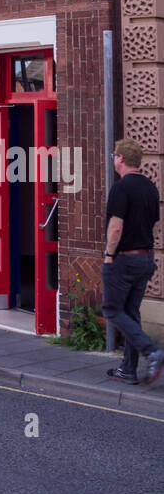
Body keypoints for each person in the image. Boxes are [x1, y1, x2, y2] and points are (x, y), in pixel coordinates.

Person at [102, 138, 164, 386]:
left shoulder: (121, 188)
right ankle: (128, 370)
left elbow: (115, 227)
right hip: (146, 258)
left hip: (124, 259)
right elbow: (155, 224)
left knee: (112, 310)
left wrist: (109, 255)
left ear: (121, 159)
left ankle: (152, 352)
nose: (113, 159)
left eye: (114, 155)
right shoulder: (151, 187)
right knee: (130, 312)